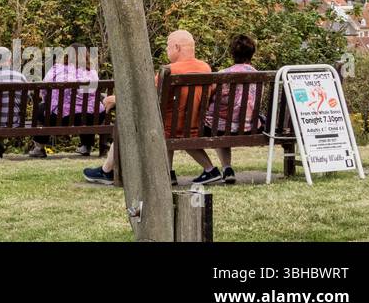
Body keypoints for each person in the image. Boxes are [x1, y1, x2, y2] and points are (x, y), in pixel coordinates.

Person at [83, 29, 221, 186]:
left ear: (176, 47)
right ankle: (178, 172)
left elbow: (146, 98)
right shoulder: (205, 68)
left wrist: (117, 99)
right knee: (168, 123)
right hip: (192, 127)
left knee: (127, 123)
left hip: (168, 129)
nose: (166, 50)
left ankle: (106, 171)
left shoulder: (170, 71)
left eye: (168, 46)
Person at [29, 49, 105, 158]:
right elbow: (94, 92)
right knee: (89, 110)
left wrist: (47, 101)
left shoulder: (57, 69)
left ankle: (39, 148)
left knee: (41, 109)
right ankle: (86, 146)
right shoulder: (92, 71)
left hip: (60, 117)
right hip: (90, 117)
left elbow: (44, 88)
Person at [207, 34, 258, 185]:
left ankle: (227, 167)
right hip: (249, 126)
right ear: (252, 53)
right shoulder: (257, 74)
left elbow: (209, 96)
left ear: (232, 53)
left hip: (222, 126)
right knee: (225, 121)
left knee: (219, 123)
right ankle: (227, 169)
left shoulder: (223, 74)